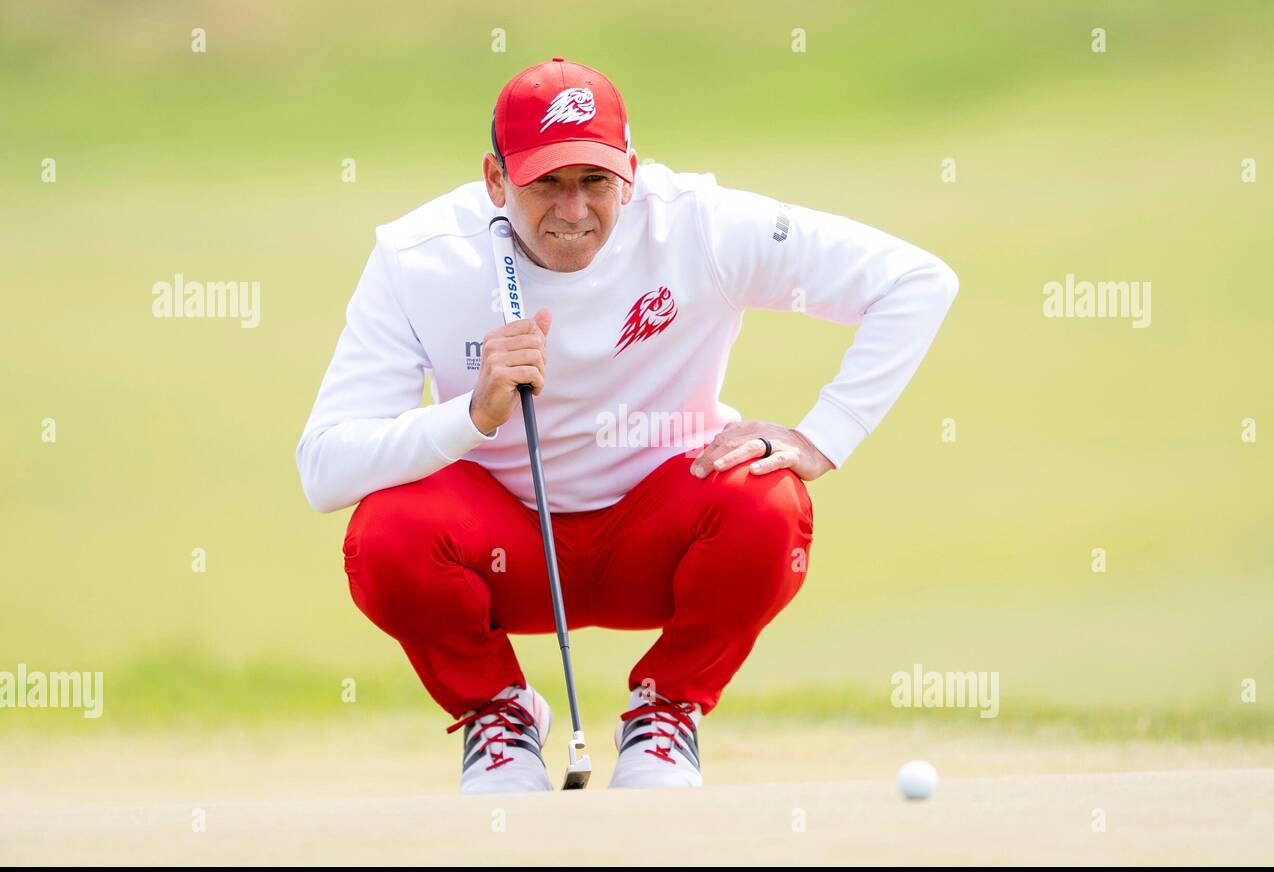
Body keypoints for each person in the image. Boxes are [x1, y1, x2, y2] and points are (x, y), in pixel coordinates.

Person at [295, 57, 959, 794]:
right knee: (387, 531)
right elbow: (324, 469)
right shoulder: (418, 257)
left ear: (632, 172)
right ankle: (498, 716)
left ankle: (666, 711)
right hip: (507, 551)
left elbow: (915, 281)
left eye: (595, 182)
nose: (573, 211)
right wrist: (471, 416)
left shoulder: (700, 225)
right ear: (494, 179)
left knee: (767, 501)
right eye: (546, 182)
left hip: (661, 537)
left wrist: (825, 434)